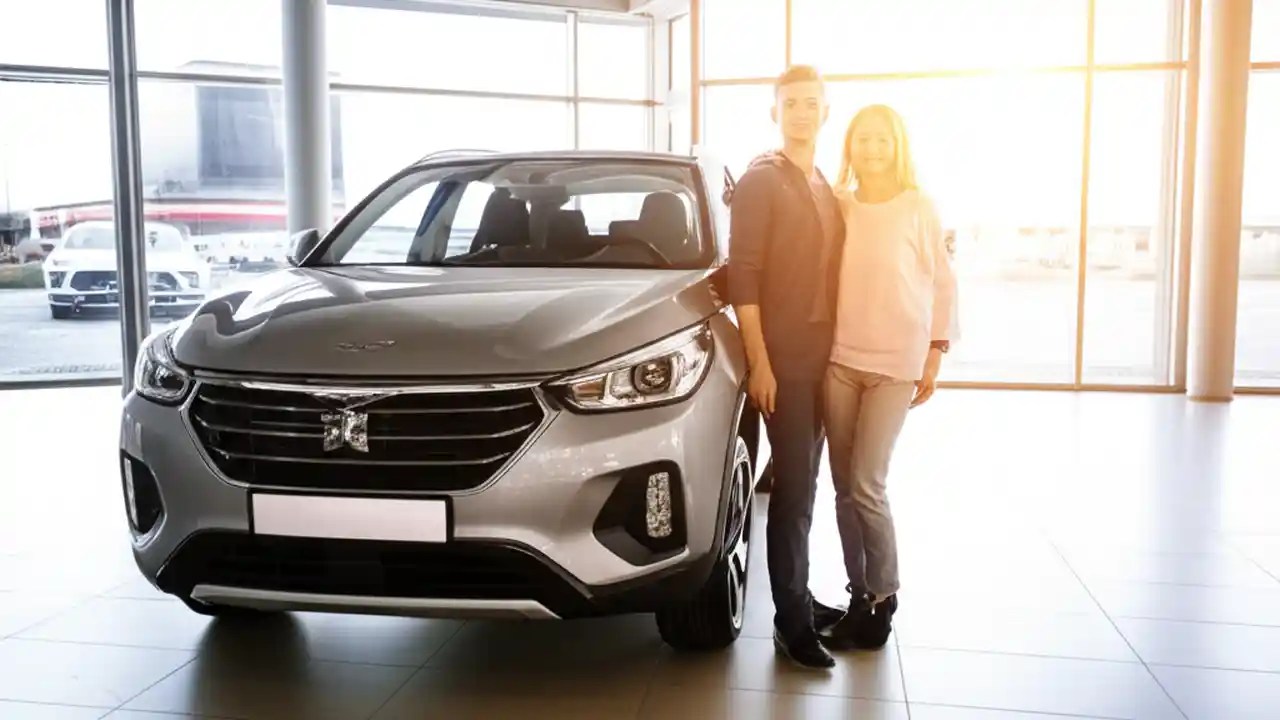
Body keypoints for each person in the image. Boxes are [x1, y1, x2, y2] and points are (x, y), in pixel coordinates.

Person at [818, 104, 957, 651]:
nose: (871, 149)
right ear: (849, 147)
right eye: (863, 140)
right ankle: (860, 592)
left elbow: (943, 285)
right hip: (840, 361)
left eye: (881, 140)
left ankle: (884, 597)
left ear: (896, 146)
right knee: (842, 489)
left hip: (895, 364)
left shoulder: (919, 207)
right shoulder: (841, 205)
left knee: (867, 484)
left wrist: (935, 352)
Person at [725, 64, 847, 670]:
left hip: (825, 359)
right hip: (785, 363)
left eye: (812, 103)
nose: (802, 111)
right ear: (776, 112)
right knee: (794, 491)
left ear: (826, 112)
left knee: (806, 486)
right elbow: (742, 275)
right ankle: (790, 624)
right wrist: (760, 363)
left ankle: (798, 596)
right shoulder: (761, 180)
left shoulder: (821, 181)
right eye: (791, 103)